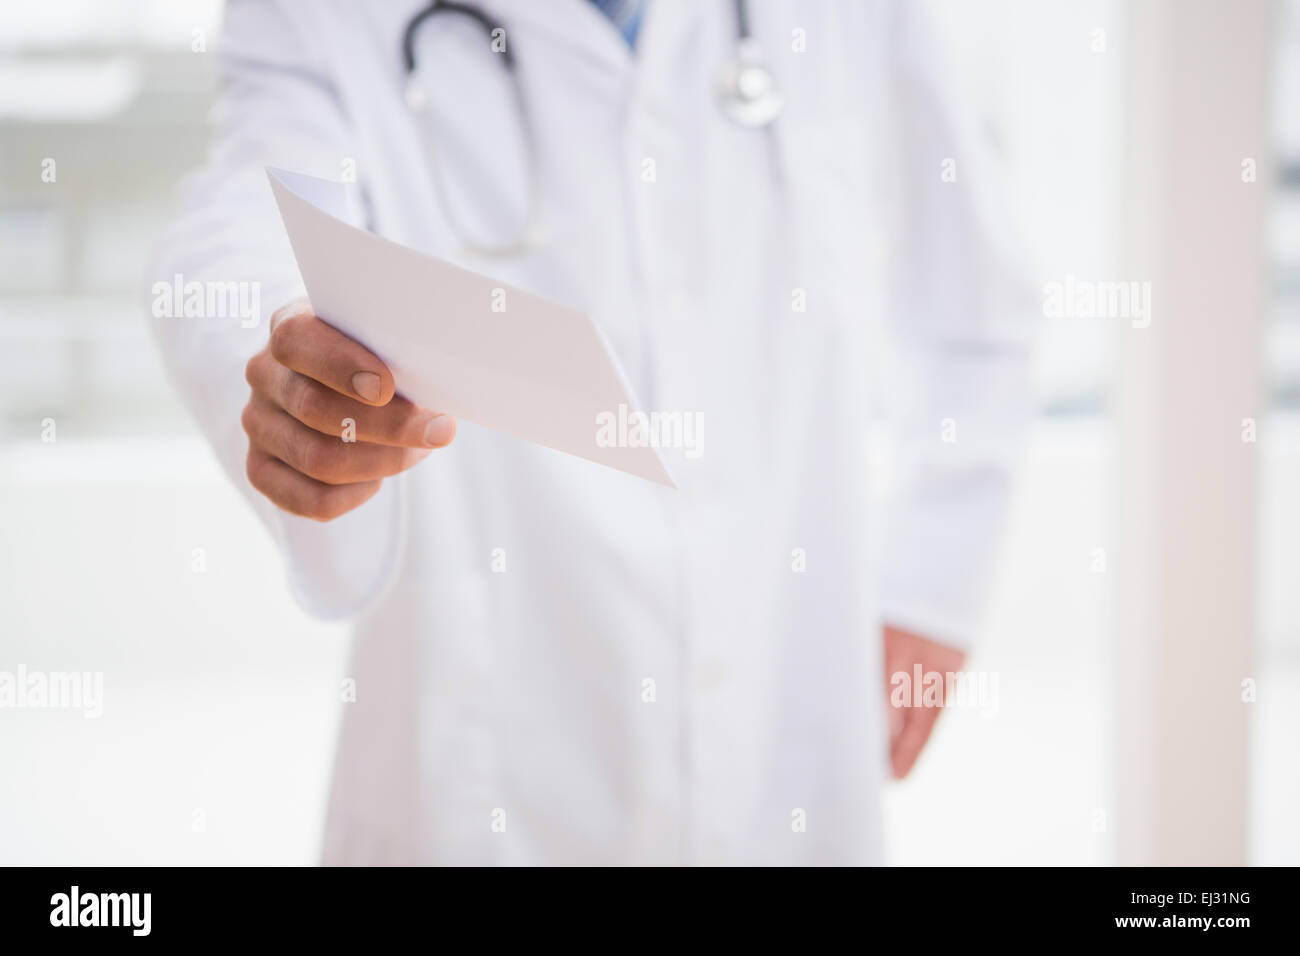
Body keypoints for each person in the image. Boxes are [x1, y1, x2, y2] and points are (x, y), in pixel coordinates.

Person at [150, 0, 1034, 865]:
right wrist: (278, 347)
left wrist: (931, 583)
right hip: (482, 762)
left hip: (787, 693)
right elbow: (242, 213)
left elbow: (975, 302)